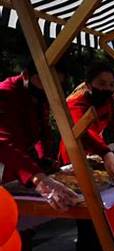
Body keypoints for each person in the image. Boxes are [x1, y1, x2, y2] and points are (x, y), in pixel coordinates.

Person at [59, 63, 114, 251]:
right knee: (86, 203)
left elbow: (113, 120)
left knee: (101, 200)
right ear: (89, 84)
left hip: (95, 156)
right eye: (101, 83)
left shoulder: (107, 100)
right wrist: (105, 151)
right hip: (73, 156)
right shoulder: (75, 102)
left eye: (110, 84)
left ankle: (103, 246)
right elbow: (84, 132)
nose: (107, 88)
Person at [0, 60, 79, 210]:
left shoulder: (40, 96)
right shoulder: (5, 93)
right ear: (26, 75)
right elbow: (4, 143)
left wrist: (45, 158)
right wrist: (38, 177)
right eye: (43, 82)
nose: (47, 89)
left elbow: (43, 130)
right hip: (7, 164)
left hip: (22, 161)